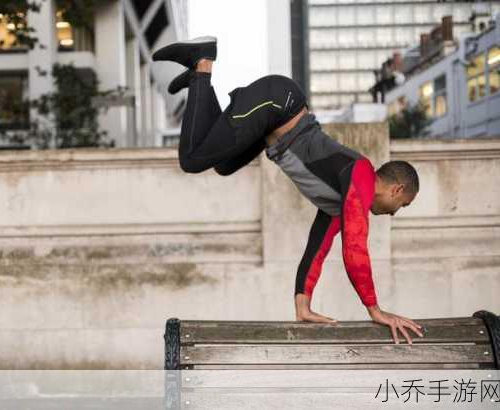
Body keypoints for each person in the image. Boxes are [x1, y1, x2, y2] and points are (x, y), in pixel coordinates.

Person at [152, 36, 424, 345]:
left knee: (223, 165)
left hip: (274, 122)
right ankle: (202, 61)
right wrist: (375, 310)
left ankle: (198, 80)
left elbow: (317, 249)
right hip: (278, 103)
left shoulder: (340, 200)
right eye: (403, 204)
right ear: (397, 188)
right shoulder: (360, 176)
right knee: (191, 159)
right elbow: (356, 249)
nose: (395, 212)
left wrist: (302, 305)